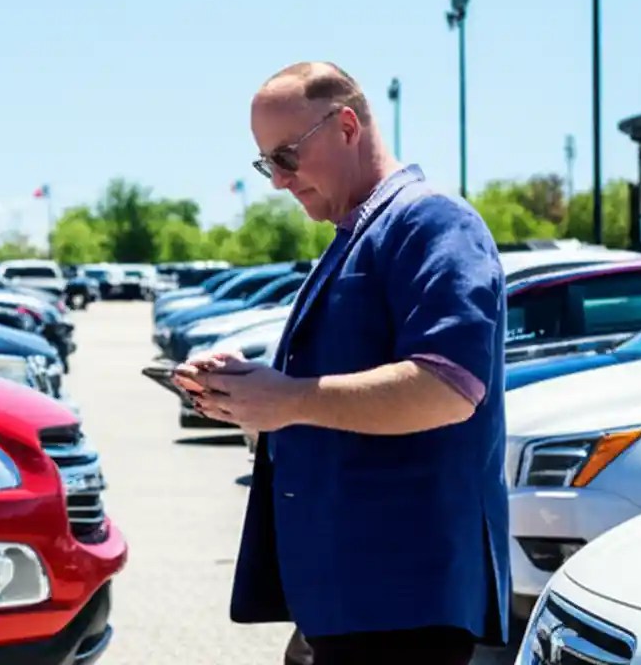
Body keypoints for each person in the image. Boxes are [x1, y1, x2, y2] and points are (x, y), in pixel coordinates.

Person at [174, 62, 510, 665]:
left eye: (286, 156)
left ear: (347, 126)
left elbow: (448, 386)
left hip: (403, 601)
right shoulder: (359, 231)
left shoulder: (431, 220)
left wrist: (289, 399)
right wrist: (247, 390)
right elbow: (321, 394)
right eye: (265, 163)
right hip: (353, 596)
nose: (277, 181)